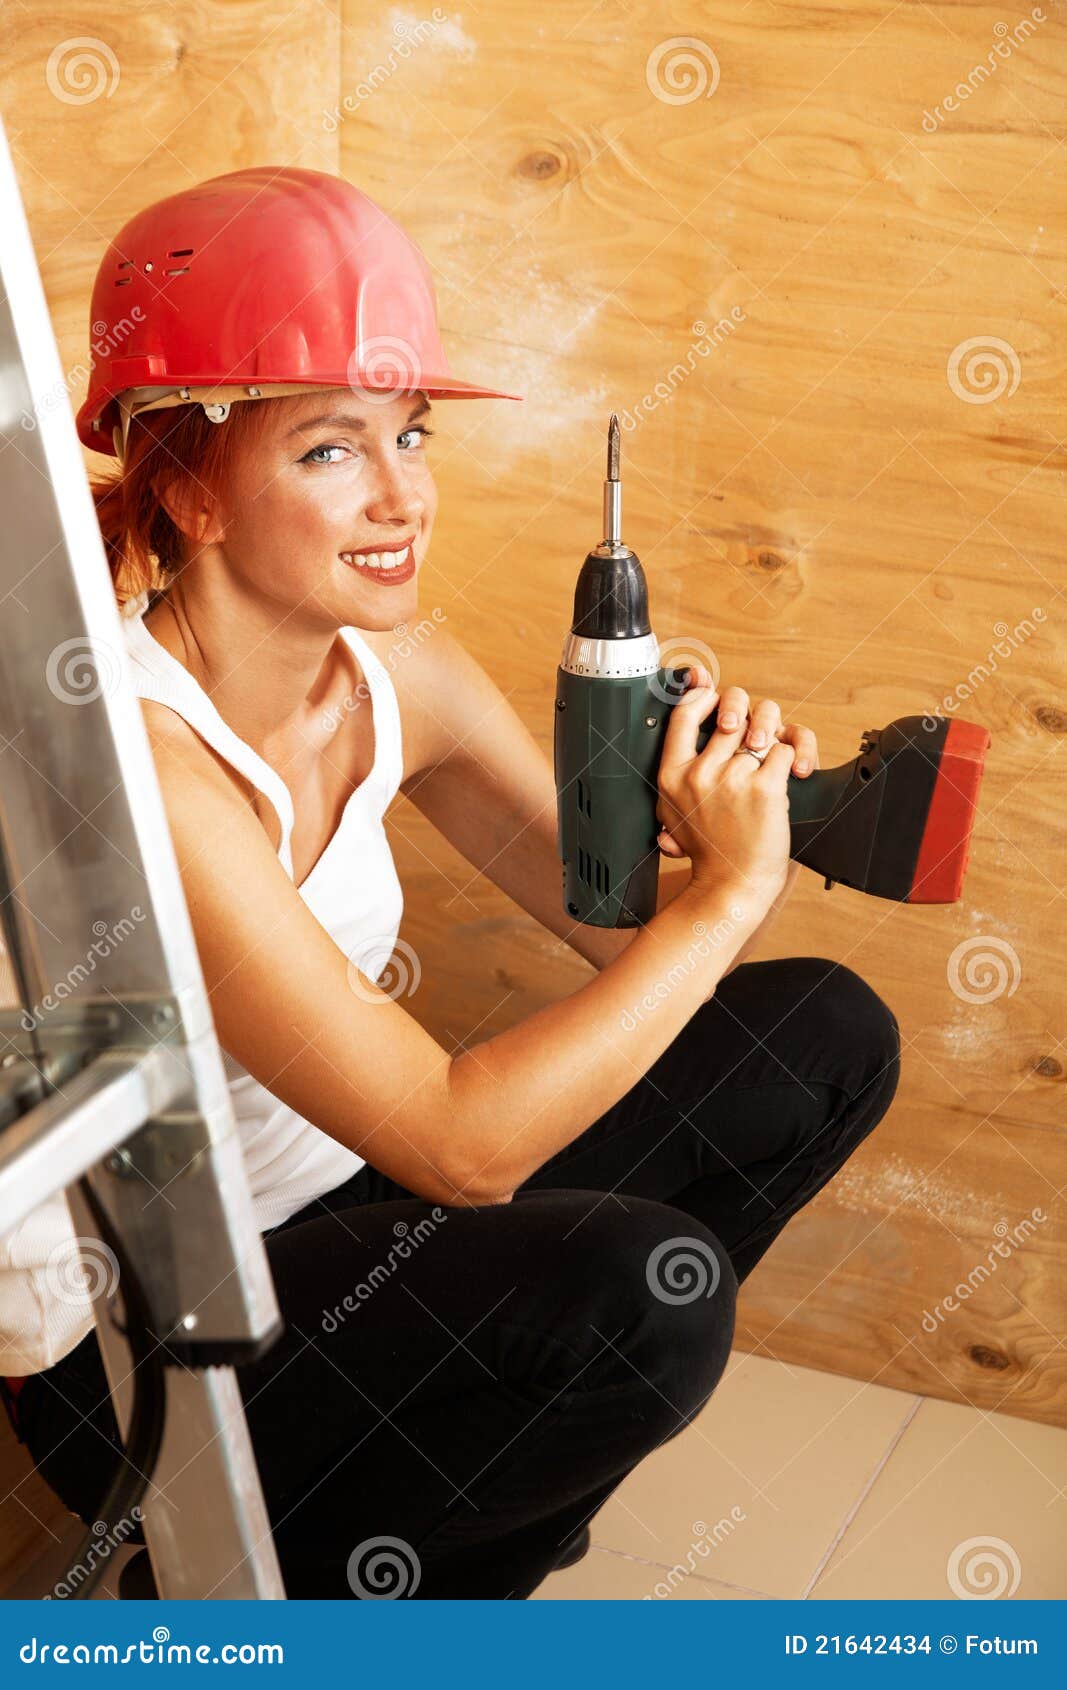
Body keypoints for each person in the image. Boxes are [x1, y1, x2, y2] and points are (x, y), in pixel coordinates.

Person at [0, 166, 900, 1600]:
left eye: (409, 433)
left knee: (824, 1035)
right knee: (642, 1301)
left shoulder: (396, 669)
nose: (404, 491)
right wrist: (724, 899)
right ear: (189, 487)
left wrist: (689, 809)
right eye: (330, 449)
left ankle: (456, 1524)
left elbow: (624, 928)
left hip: (342, 1219)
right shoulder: (145, 772)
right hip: (160, 1341)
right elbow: (457, 1145)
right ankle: (339, 1579)